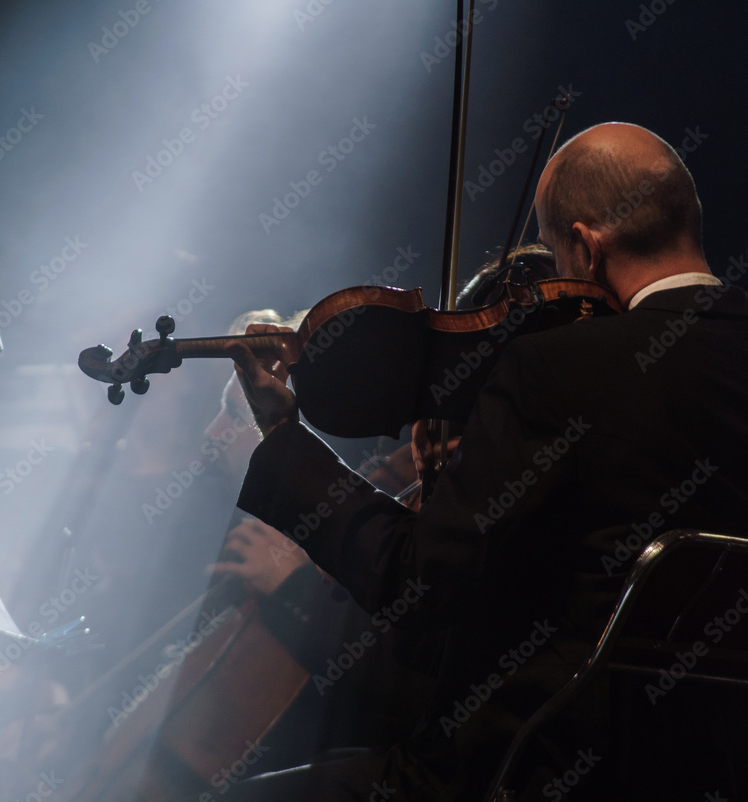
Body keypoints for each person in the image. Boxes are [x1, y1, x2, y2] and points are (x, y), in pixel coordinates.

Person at [222, 122, 748, 799]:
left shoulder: (559, 368)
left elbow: (417, 582)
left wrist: (283, 436)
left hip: (541, 765)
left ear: (586, 247)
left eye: (560, 257)